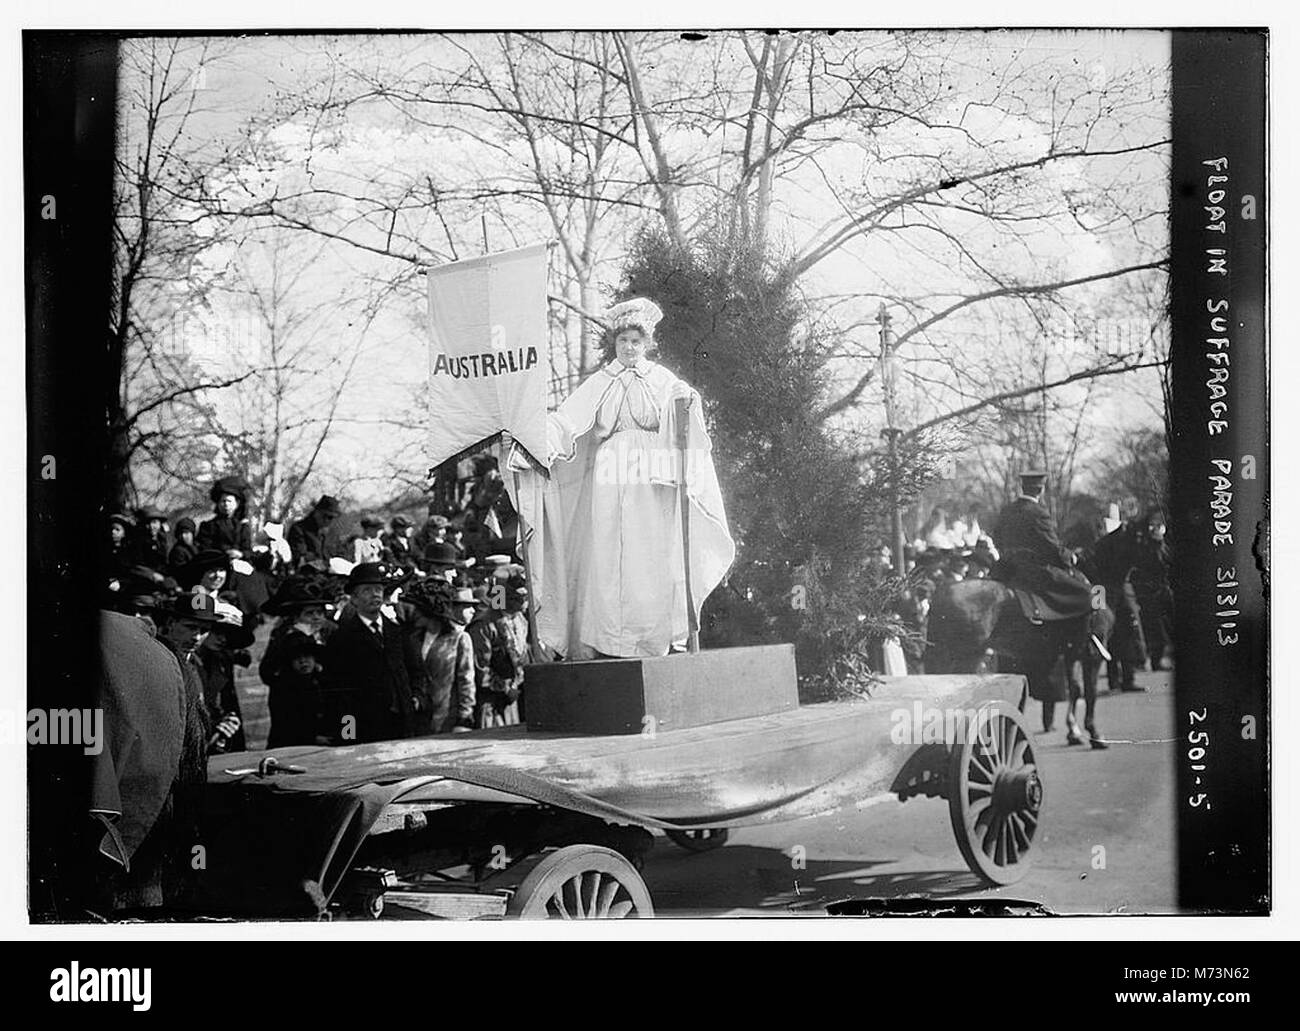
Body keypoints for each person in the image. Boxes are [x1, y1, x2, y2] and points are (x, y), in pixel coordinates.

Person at [510, 297, 735, 658]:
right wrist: (533, 439)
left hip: (650, 475)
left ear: (647, 344)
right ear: (614, 344)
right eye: (623, 341)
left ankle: (653, 638)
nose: (629, 348)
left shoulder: (663, 380)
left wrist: (687, 404)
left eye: (636, 341)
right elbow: (567, 421)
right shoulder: (600, 382)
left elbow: (682, 416)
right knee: (607, 550)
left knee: (649, 551)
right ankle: (610, 641)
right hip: (609, 474)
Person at [321, 563, 414, 743]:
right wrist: (347, 734)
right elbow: (337, 693)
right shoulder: (341, 638)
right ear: (354, 599)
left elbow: (414, 670)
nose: (375, 594)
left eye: (379, 589)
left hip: (400, 725)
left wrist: (416, 700)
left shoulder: (397, 631)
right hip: (365, 728)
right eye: (367, 590)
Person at [992, 470, 1093, 616]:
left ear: (1022, 487)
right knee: (1088, 594)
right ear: (1041, 489)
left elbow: (997, 539)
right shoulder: (1038, 513)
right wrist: (1070, 557)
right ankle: (1085, 636)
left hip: (1006, 569)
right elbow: (1052, 548)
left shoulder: (1007, 510)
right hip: (1034, 572)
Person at [259, 576, 336, 747]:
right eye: (310, 613)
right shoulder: (284, 637)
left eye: (320, 612)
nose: (316, 618)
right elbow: (268, 674)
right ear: (296, 617)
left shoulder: (330, 633)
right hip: (294, 714)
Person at [404, 579, 477, 735]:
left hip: (447, 721)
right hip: (418, 721)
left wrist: (464, 719)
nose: (413, 612)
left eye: (418, 609)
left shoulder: (459, 639)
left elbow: (466, 682)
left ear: (430, 611)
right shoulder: (413, 637)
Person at [196, 475, 254, 560]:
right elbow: (205, 550)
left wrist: (241, 554)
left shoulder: (242, 527)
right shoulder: (208, 526)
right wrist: (224, 554)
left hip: (240, 565)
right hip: (216, 565)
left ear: (237, 504)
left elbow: (248, 551)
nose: (226, 504)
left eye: (229, 501)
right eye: (223, 501)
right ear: (218, 503)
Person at [287, 494, 342, 569]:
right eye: (326, 516)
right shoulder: (299, 529)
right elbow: (299, 557)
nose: (328, 520)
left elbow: (340, 554)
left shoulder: (333, 534)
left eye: (332, 518)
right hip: (306, 576)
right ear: (316, 512)